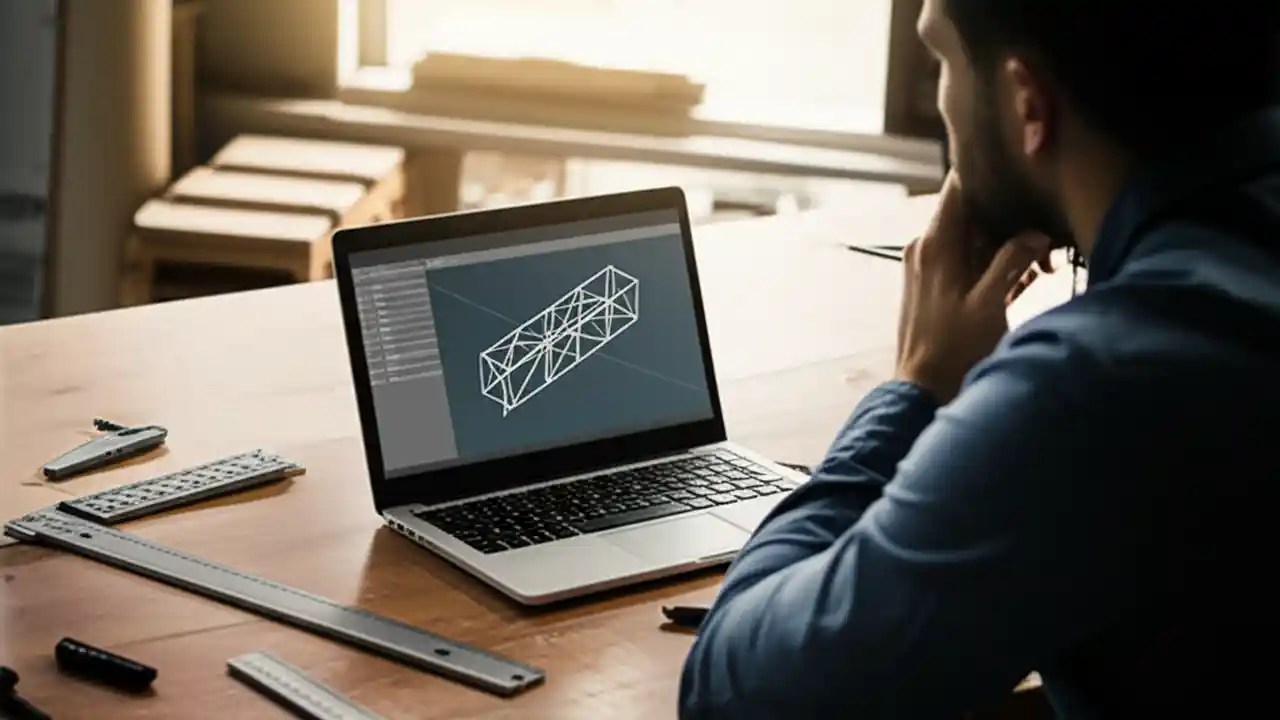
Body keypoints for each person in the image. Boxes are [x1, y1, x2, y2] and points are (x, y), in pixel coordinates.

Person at [678, 0, 1280, 717]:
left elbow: (736, 694)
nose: (941, 105)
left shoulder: (1094, 385)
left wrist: (917, 387)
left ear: (1028, 104)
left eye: (941, 60)